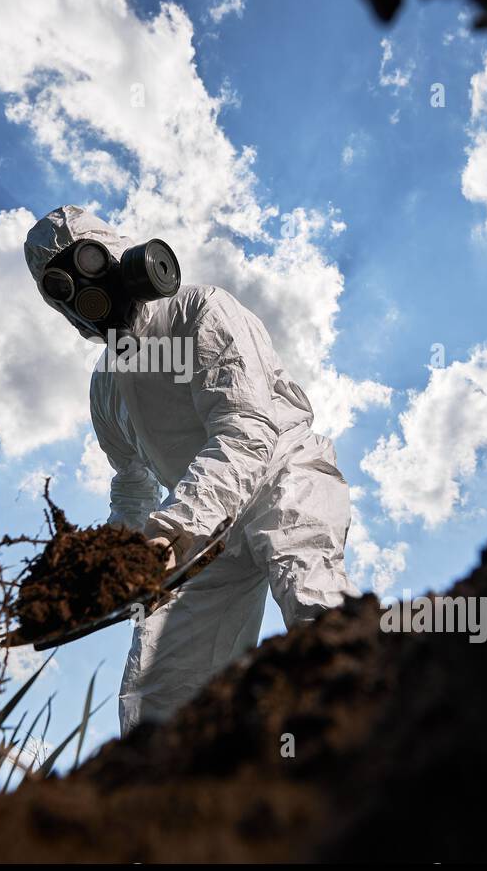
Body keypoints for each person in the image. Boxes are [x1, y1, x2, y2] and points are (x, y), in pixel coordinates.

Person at [24, 205, 353, 734]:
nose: (87, 296)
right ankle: (164, 805)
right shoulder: (106, 387)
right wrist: (110, 567)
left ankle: (366, 753)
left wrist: (172, 529)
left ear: (121, 254)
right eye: (62, 288)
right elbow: (132, 488)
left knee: (314, 603)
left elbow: (246, 428)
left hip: (280, 474)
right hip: (200, 534)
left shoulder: (201, 309)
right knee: (160, 693)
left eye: (90, 263)